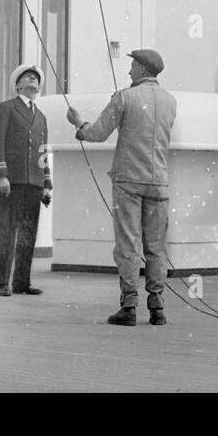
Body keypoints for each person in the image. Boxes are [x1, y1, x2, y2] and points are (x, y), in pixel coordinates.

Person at [66, 48, 177, 327]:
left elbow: (97, 133)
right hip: (160, 182)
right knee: (156, 246)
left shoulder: (125, 98)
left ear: (141, 68)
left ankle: (129, 306)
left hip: (128, 180)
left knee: (128, 244)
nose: (128, 71)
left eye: (132, 66)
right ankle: (157, 306)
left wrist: (78, 122)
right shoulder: (170, 101)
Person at [0, 62, 53, 297]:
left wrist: (47, 184)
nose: (32, 80)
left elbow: (43, 151)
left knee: (28, 232)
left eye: (35, 78)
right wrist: (1, 175)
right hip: (12, 180)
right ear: (17, 85)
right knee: (7, 230)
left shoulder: (42, 117)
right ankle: (2, 282)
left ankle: (21, 282)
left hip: (34, 182)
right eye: (27, 77)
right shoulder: (7, 108)